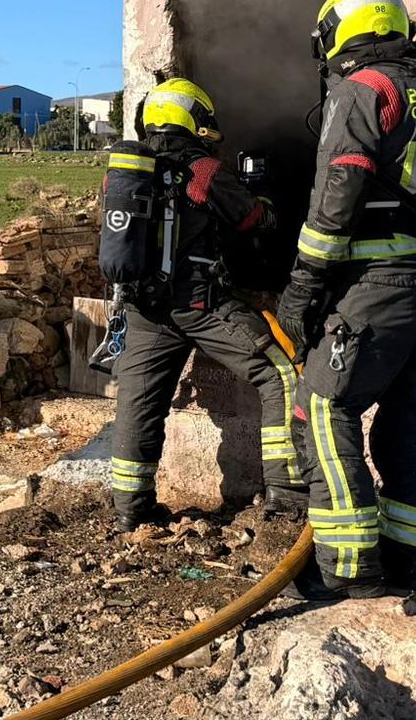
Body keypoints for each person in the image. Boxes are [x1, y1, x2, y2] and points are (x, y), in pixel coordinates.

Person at [277, 0, 416, 601]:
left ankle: (349, 572)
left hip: (377, 285)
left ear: (341, 31)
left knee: (321, 407)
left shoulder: (363, 88)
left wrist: (302, 286)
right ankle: (411, 562)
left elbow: (337, 197)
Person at [102, 79, 307, 531]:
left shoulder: (128, 172)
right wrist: (264, 192)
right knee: (280, 372)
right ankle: (287, 497)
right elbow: (256, 219)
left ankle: (130, 511)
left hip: (142, 310)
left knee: (138, 404)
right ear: (194, 120)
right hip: (200, 306)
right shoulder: (203, 170)